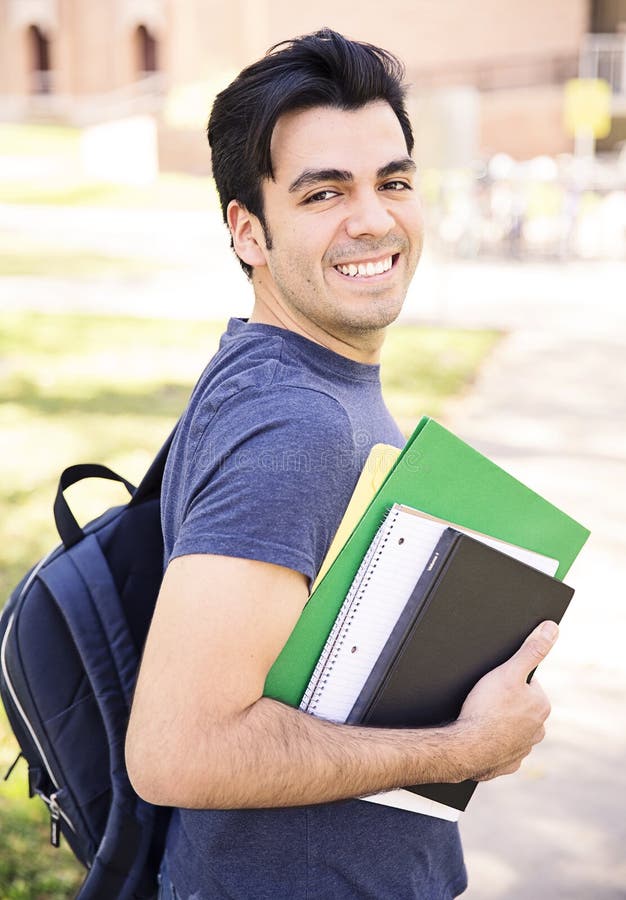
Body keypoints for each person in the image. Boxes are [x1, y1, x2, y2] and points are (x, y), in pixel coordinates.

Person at [126, 29, 557, 900]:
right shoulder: (297, 425)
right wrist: (466, 750)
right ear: (248, 231)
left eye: (393, 181)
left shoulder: (284, 369)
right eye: (324, 192)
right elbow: (178, 751)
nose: (374, 218)